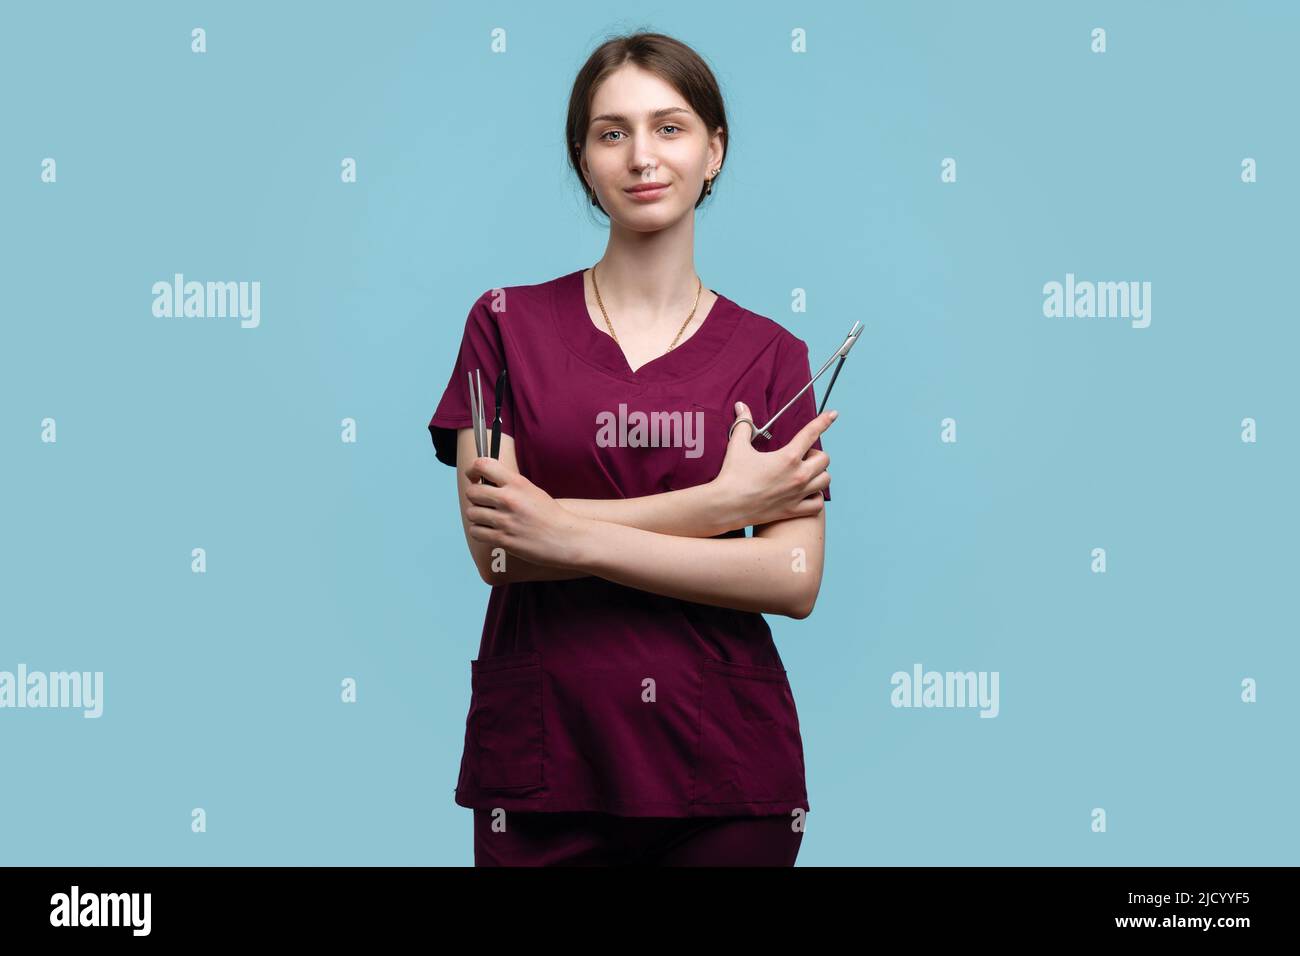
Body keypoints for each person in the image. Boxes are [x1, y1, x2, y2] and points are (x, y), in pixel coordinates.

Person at [427, 31, 835, 866]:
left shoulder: (773, 356)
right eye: (612, 132)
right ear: (582, 158)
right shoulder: (503, 324)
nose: (642, 156)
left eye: (670, 127)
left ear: (714, 150)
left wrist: (560, 528)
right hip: (544, 763)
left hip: (723, 769)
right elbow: (499, 554)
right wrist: (720, 508)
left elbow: (792, 581)